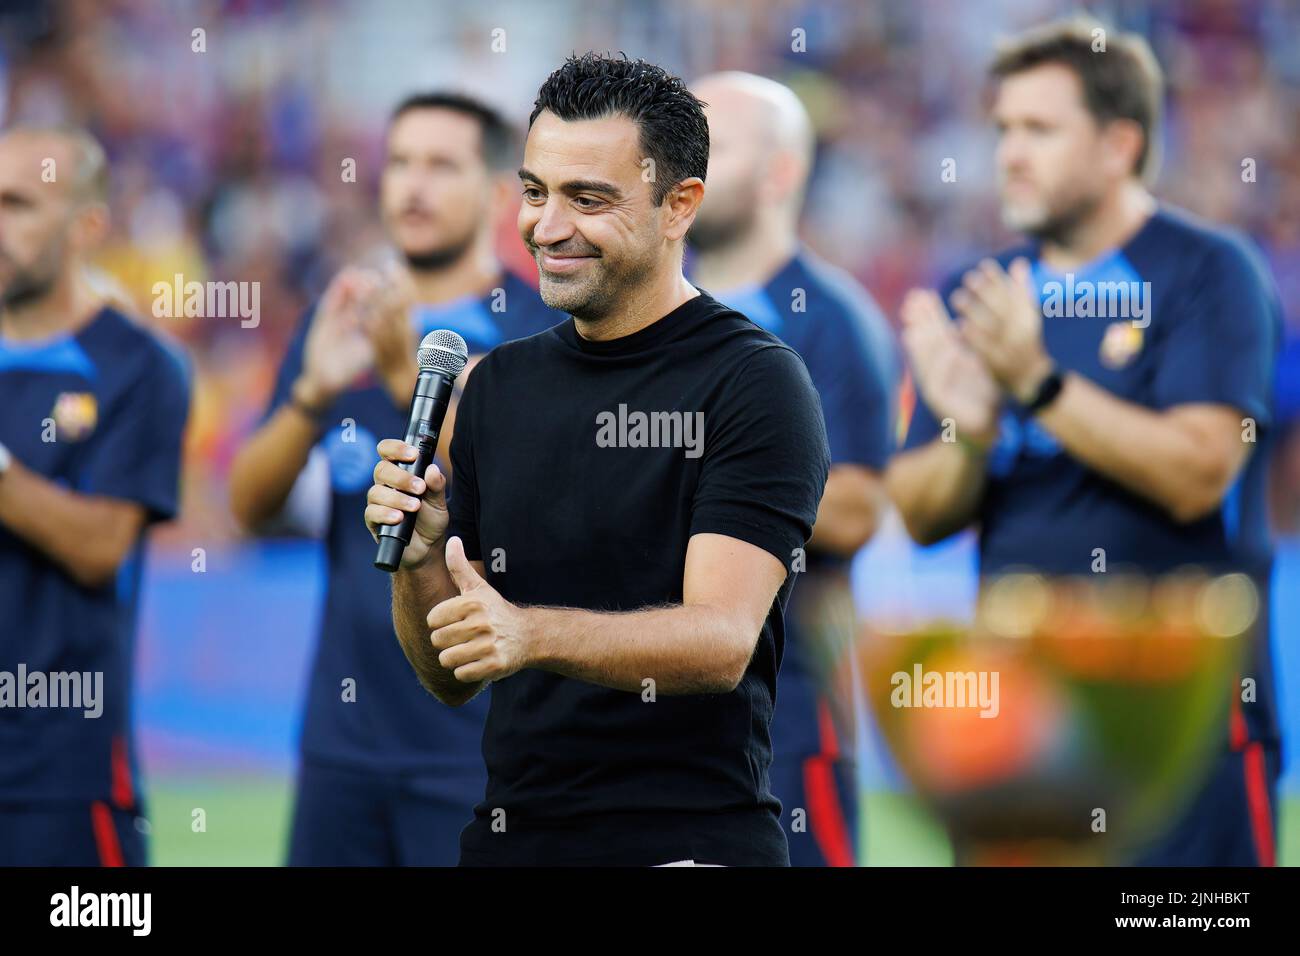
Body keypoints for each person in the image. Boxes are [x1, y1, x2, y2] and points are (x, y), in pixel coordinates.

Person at [365, 53, 831, 866]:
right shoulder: (495, 388)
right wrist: (420, 558)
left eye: (589, 199)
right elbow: (452, 676)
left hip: (686, 845)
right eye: (536, 192)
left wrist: (531, 633)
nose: (547, 227)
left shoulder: (755, 381)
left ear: (679, 204)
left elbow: (720, 641)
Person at [887, 17, 1282, 866]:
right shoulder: (980, 288)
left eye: (1039, 129)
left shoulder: (1209, 273)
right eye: (1001, 131)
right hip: (1017, 731)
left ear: (1118, 144)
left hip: (1178, 722)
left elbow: (1200, 471)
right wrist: (971, 431)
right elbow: (919, 515)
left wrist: (1037, 385)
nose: (1009, 154)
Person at [229, 93, 562, 866]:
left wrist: (397, 367)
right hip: (344, 741)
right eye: (401, 162)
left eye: (441, 165)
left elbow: (528, 486)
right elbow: (247, 506)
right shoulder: (342, 312)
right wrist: (311, 395)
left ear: (494, 195)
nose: (412, 186)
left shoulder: (536, 324)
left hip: (482, 741)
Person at [688, 71, 896, 867]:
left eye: (715, 145)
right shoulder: (640, 308)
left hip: (786, 709)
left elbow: (858, 509)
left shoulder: (833, 320)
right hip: (643, 709)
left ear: (780, 173)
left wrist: (706, 477)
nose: (686, 165)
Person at [0, 126, 191, 866]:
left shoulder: (138, 367)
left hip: (63, 770)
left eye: (18, 205)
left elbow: (99, 547)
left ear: (85, 226)